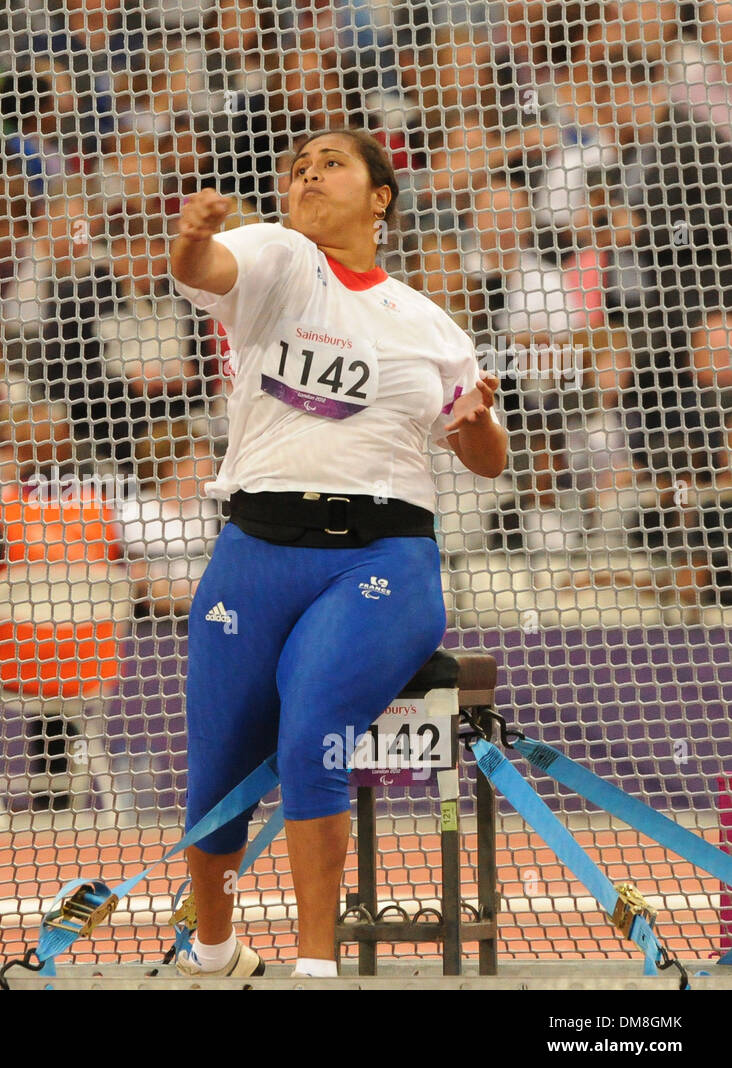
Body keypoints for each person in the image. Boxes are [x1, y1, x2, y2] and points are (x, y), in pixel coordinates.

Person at [167, 128, 507, 977]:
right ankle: (213, 947)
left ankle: (317, 968)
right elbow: (201, 273)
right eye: (297, 167)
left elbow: (487, 457)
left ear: (380, 196)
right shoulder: (281, 257)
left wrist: (476, 427)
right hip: (257, 547)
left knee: (314, 728)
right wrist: (194, 235)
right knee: (214, 776)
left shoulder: (431, 325)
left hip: (383, 556)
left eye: (332, 163)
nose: (308, 173)